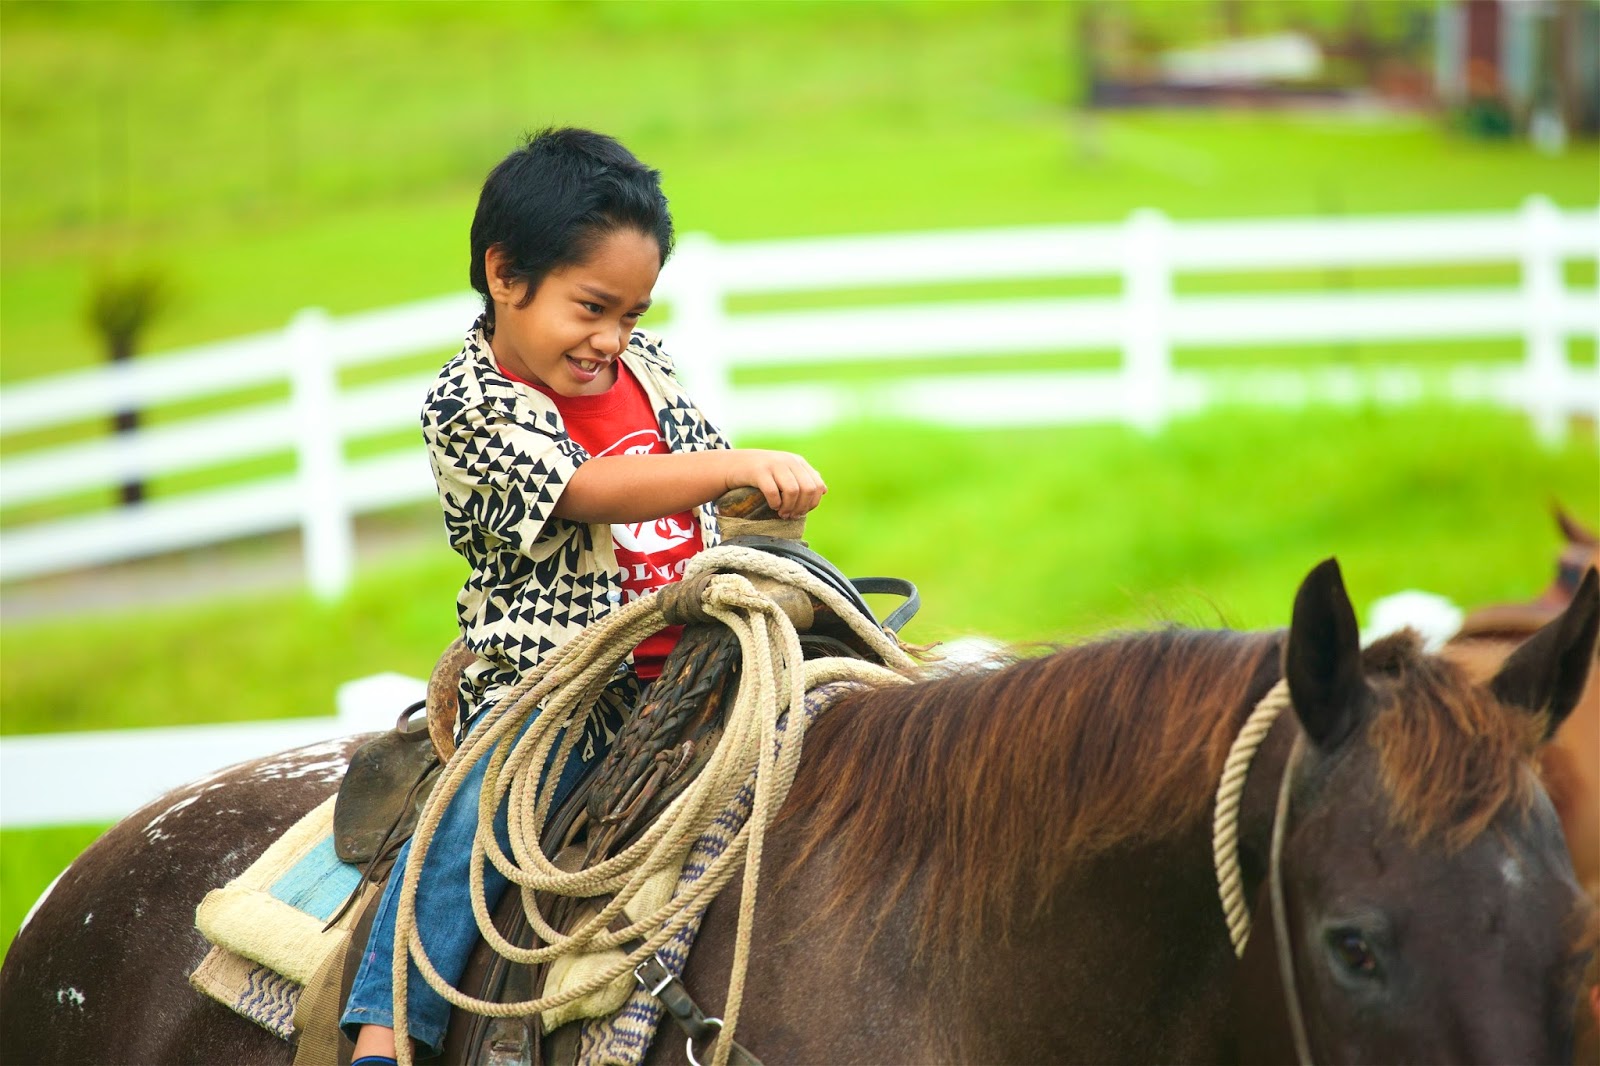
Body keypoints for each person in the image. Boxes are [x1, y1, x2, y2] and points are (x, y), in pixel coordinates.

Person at [341, 128, 826, 1064]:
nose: (611, 339)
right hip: (561, 684)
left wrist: (746, 504)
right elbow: (583, 490)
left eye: (632, 313)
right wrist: (728, 464)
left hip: (695, 657)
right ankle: (386, 1027)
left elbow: (692, 484)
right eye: (591, 307)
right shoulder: (467, 405)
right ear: (505, 275)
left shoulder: (645, 369)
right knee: (474, 818)